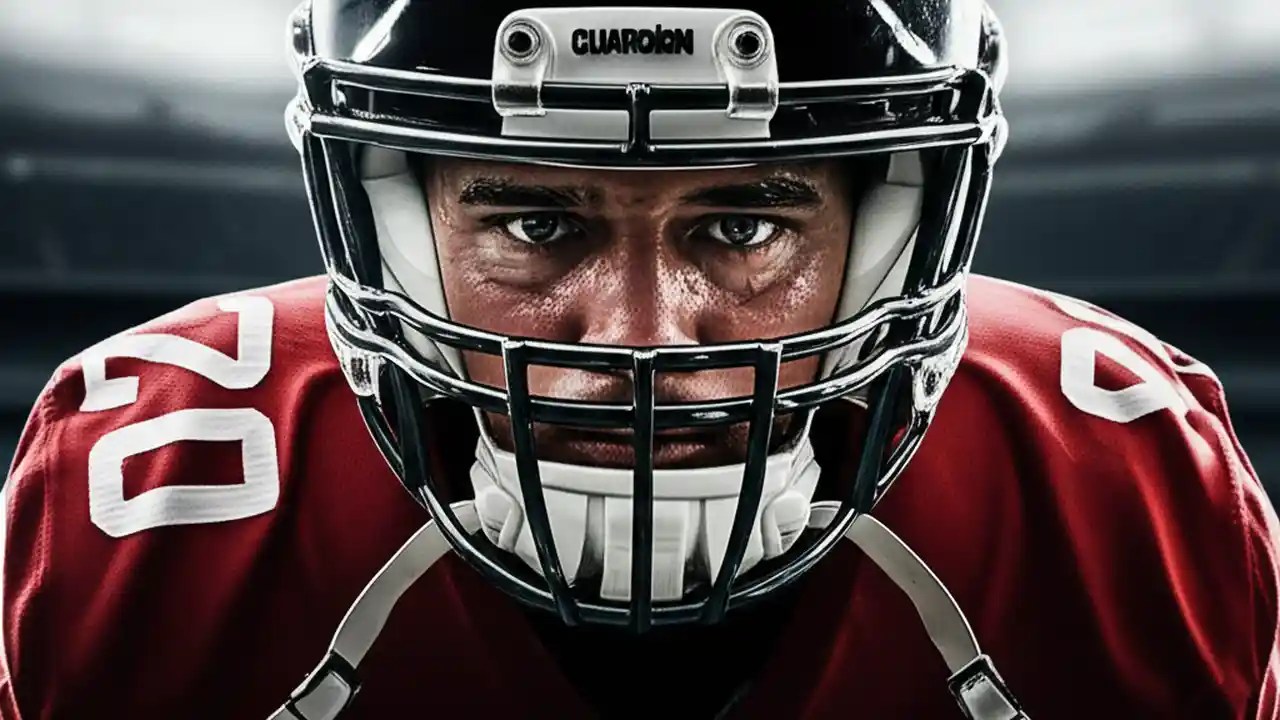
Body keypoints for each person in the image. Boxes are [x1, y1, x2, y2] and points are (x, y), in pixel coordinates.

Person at [2, 1, 1277, 718]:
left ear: (890, 238)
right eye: (534, 222)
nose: (639, 334)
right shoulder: (151, 507)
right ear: (391, 227)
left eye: (741, 225)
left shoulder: (1123, 486)